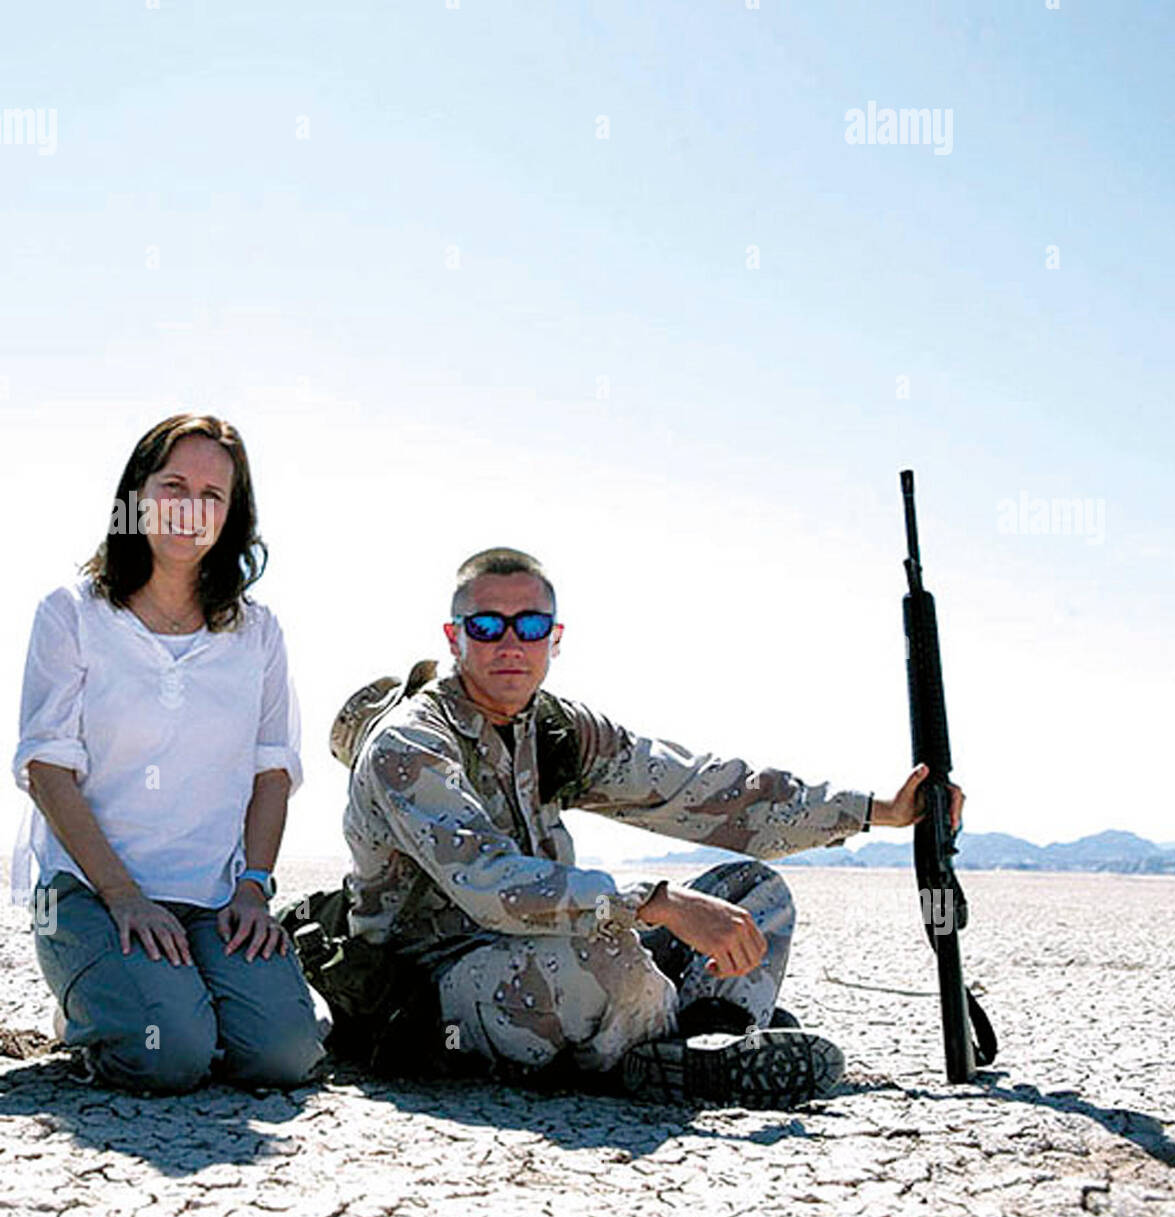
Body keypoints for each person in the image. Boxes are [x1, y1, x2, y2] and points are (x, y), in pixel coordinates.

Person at [308, 546, 963, 1109]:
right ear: (454, 639)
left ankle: (697, 1038)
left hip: (552, 943)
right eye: (485, 626)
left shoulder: (554, 730)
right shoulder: (408, 745)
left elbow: (697, 788)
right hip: (443, 986)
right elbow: (491, 887)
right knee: (610, 958)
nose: (509, 643)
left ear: (554, 638)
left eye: (530, 625)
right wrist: (656, 903)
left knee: (752, 891)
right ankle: (695, 1037)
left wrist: (874, 809)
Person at [12, 413, 328, 1094]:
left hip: (214, 897)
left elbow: (272, 771)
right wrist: (124, 897)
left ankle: (180, 995)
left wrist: (253, 888)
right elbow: (47, 769)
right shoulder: (72, 614)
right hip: (92, 892)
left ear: (232, 515)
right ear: (136, 495)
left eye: (212, 495)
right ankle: (102, 1006)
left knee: (284, 1057)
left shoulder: (258, 632)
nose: (190, 509)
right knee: (169, 1058)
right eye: (174, 486)